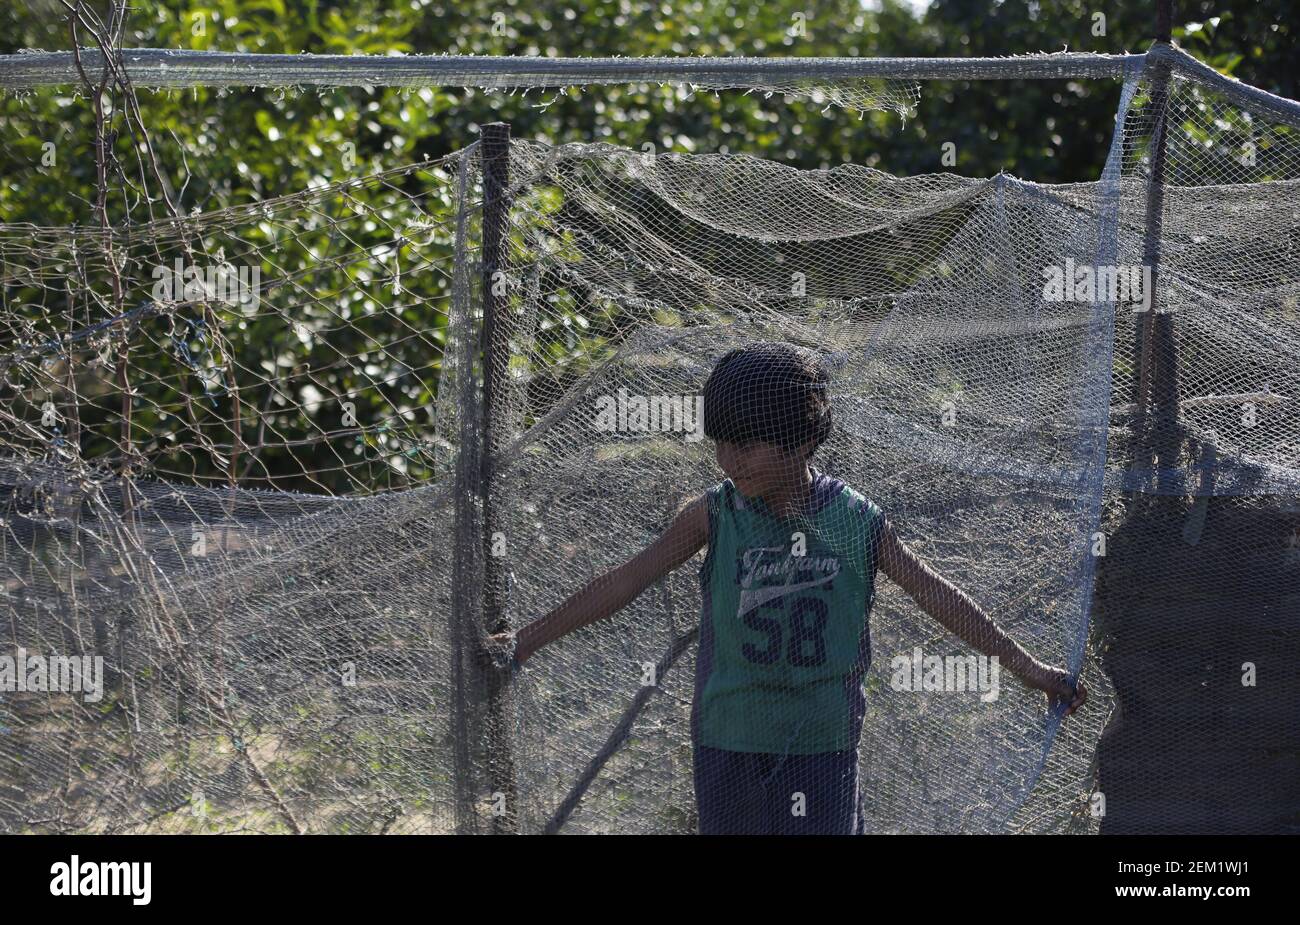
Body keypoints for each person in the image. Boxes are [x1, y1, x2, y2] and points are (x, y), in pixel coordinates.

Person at [483, 341, 1086, 834]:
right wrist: (527, 640)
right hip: (730, 739)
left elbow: (938, 595)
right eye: (720, 443)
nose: (729, 460)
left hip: (822, 743)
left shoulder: (856, 521)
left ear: (800, 440)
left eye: (746, 444)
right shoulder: (713, 516)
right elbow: (624, 580)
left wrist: (1026, 666)